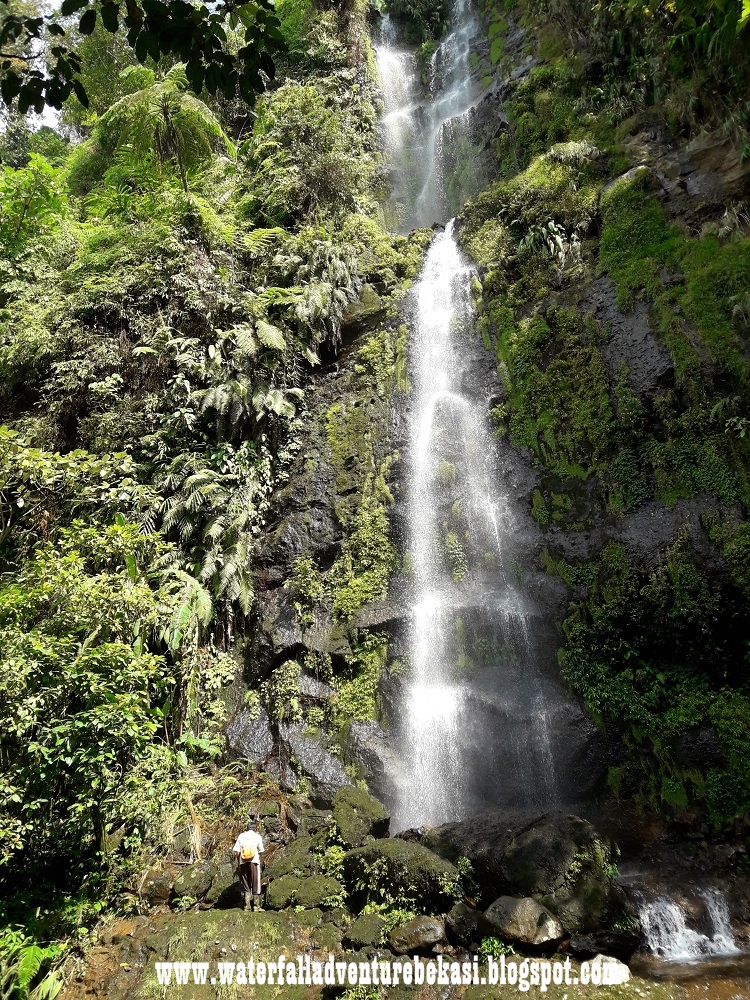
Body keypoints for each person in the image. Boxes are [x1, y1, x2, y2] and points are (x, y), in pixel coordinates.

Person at [232, 818, 265, 911]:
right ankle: (256, 906)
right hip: (254, 862)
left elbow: (236, 850)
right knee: (255, 882)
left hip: (243, 862)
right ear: (255, 828)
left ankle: (247, 906)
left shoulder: (241, 836)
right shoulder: (257, 836)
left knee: (246, 882)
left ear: (247, 828)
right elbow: (261, 850)